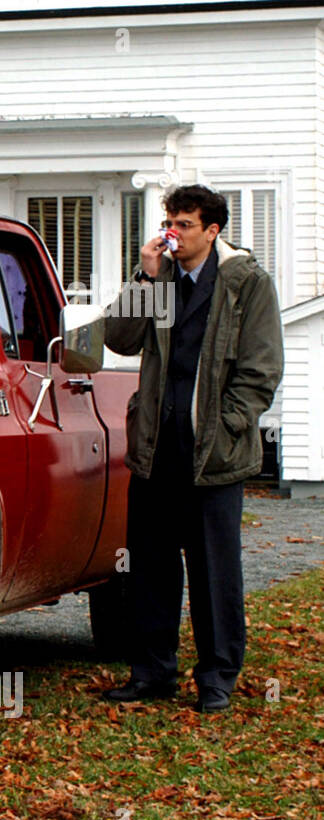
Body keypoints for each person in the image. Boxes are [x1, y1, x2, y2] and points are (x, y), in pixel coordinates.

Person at [100, 184, 283, 712]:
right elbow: (120, 338)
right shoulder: (160, 280)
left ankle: (217, 676)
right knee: (151, 567)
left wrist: (228, 425)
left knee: (213, 570)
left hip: (215, 453)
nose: (172, 234)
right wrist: (144, 276)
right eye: (170, 223)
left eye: (183, 225)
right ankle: (153, 672)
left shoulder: (245, 282)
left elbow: (261, 368)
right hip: (157, 447)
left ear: (212, 230)